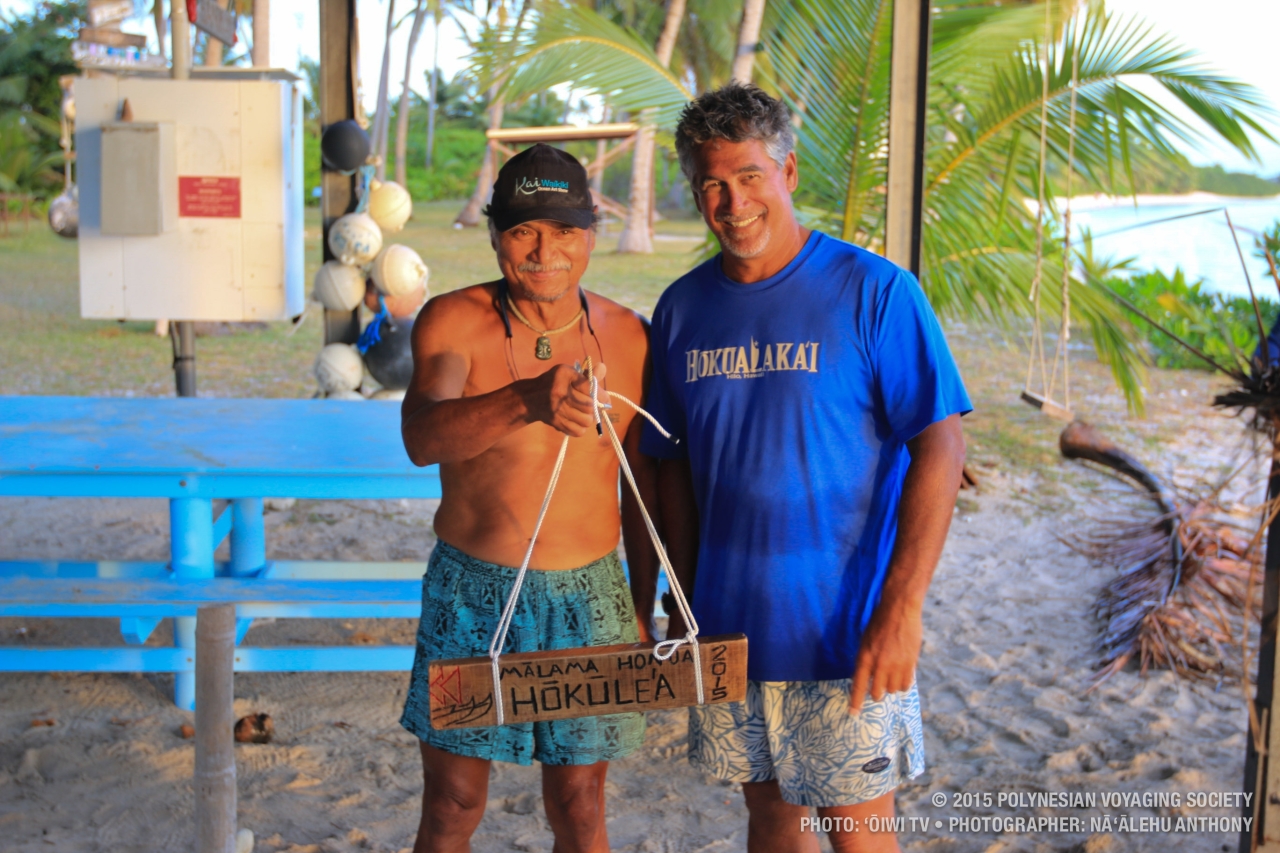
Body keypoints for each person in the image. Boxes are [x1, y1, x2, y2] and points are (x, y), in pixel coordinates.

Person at [640, 83, 971, 853]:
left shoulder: (874, 291)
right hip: (730, 624)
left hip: (842, 628)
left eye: (750, 175)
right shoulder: (684, 309)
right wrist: (684, 606)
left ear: (787, 174)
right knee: (768, 818)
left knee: (857, 833)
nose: (733, 202)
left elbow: (942, 444)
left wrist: (903, 608)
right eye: (712, 185)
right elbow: (670, 469)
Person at [398, 143, 658, 853]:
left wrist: (641, 602)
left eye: (565, 232)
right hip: (472, 594)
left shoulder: (631, 336)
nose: (545, 251)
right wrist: (524, 399)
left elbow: (643, 488)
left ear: (591, 236)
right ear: (496, 236)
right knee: (453, 800)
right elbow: (422, 437)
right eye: (523, 231)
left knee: (579, 802)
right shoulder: (451, 322)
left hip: (591, 595)